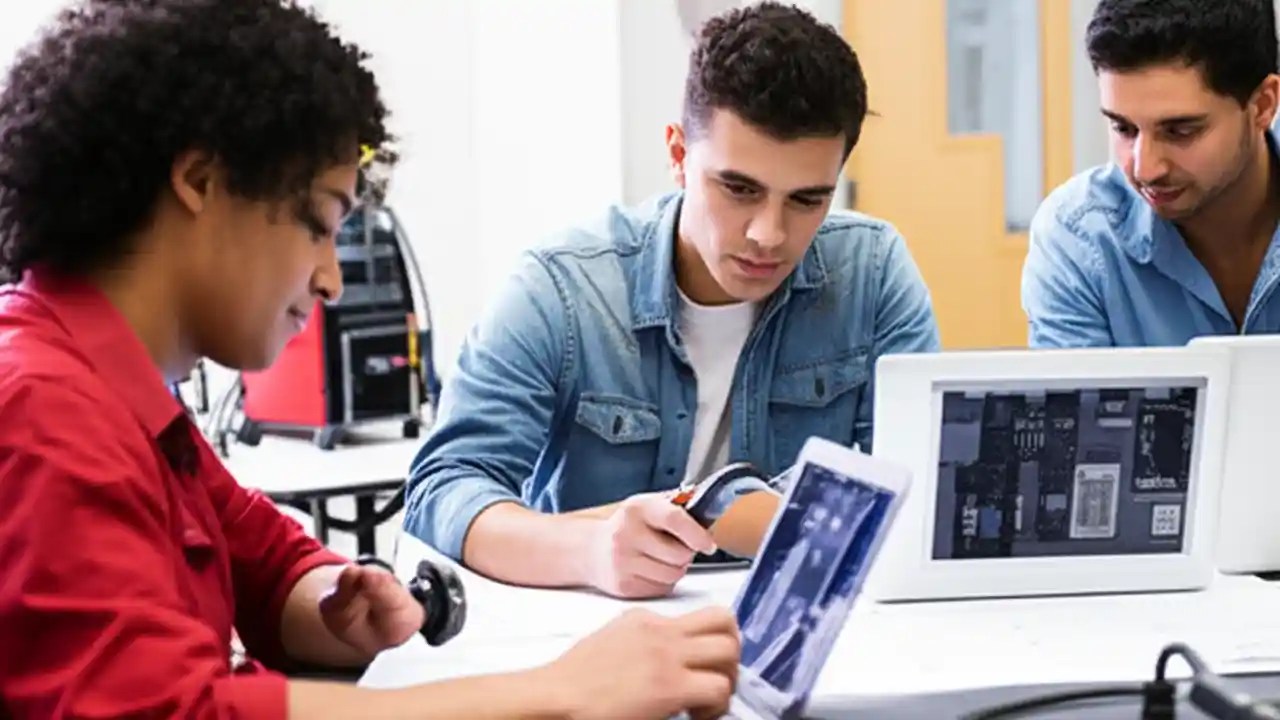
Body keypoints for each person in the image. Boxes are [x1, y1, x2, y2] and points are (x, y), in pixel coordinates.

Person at [0, 2, 739, 718]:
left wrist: (333, 605)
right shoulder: (42, 409)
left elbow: (264, 557)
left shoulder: (124, 401)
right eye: (319, 224)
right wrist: (561, 693)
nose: (331, 278)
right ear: (200, 183)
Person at [404, 2, 940, 599]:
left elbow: (915, 501)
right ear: (679, 155)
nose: (769, 233)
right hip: (593, 644)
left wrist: (719, 513)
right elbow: (441, 491)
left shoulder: (872, 272)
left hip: (807, 634)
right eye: (739, 189)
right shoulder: (561, 288)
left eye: (807, 200)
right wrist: (588, 550)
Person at [1022, 0, 1280, 348]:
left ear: (1263, 106)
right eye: (1123, 128)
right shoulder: (1079, 241)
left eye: (1180, 131)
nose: (1145, 169)